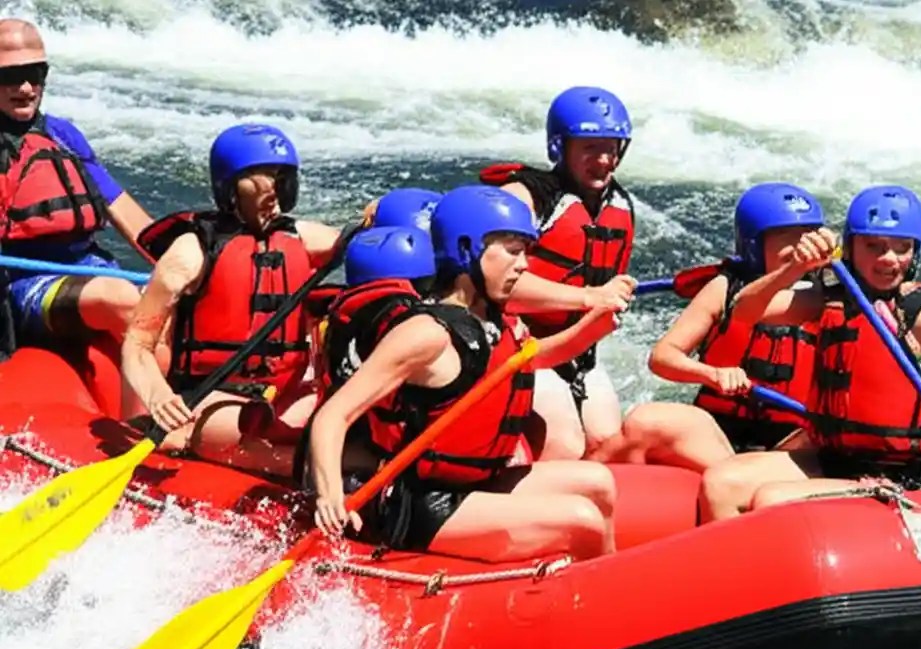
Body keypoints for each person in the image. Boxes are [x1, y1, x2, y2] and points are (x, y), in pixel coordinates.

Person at [307, 186, 621, 562]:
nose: (524, 265)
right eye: (513, 250)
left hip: (475, 481)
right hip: (424, 502)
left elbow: (526, 361)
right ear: (468, 250)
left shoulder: (494, 321)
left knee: (598, 484)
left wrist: (591, 328)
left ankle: (605, 581)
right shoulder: (426, 333)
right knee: (582, 519)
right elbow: (332, 415)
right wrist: (329, 496)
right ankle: (601, 604)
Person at [700, 185, 921, 521]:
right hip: (831, 459)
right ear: (849, 247)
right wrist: (794, 268)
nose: (889, 259)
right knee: (720, 484)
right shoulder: (830, 298)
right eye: (874, 246)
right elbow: (744, 311)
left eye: (902, 248)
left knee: (772, 499)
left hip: (899, 475)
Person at [119, 123, 344, 476]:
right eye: (260, 179)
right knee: (252, 435)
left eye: (279, 178)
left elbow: (366, 245)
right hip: (211, 398)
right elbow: (136, 344)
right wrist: (158, 396)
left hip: (282, 393)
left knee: (337, 423)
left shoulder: (301, 238)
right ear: (230, 189)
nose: (272, 191)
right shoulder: (190, 252)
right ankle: (331, 475)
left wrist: (378, 220)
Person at [589, 183, 829, 473]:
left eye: (808, 235)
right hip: (719, 436)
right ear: (754, 244)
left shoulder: (829, 299)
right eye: (784, 235)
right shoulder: (724, 289)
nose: (800, 245)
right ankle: (581, 480)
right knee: (646, 421)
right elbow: (663, 358)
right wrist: (713, 375)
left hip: (790, 446)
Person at [479, 85, 638, 461]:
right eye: (590, 148)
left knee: (607, 442)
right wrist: (589, 297)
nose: (603, 160)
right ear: (559, 148)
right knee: (565, 444)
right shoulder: (526, 196)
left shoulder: (619, 205)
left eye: (611, 148)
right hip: (517, 348)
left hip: (579, 352)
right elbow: (498, 284)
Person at [0, 19, 152, 393]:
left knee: (162, 299)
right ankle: (144, 428)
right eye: (11, 76)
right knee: (120, 299)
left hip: (91, 265)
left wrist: (182, 262)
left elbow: (127, 214)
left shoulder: (62, 135)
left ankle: (156, 416)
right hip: (25, 281)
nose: (25, 88)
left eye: (35, 74)